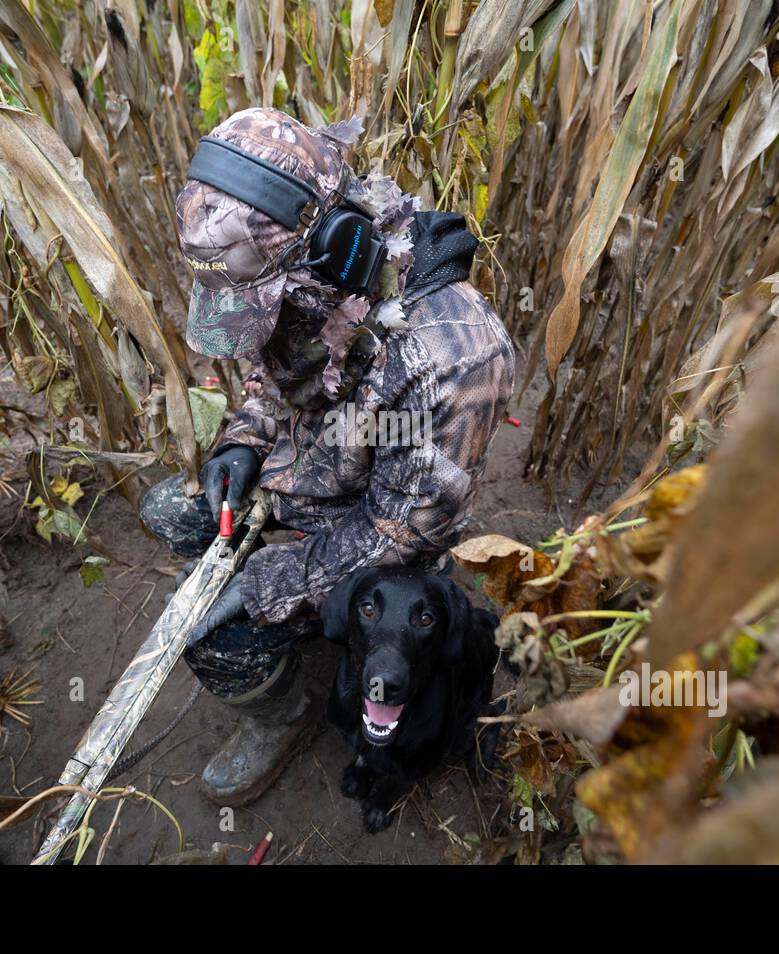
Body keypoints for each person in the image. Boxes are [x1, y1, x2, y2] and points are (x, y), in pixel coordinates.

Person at [139, 107, 514, 806]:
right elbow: (275, 360)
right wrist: (245, 437)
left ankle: (283, 715)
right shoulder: (306, 267)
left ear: (334, 246)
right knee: (168, 512)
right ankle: (279, 619)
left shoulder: (455, 358)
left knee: (215, 640)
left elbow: (399, 532)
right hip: (309, 469)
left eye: (262, 297)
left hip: (383, 526)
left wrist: (267, 587)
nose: (262, 314)